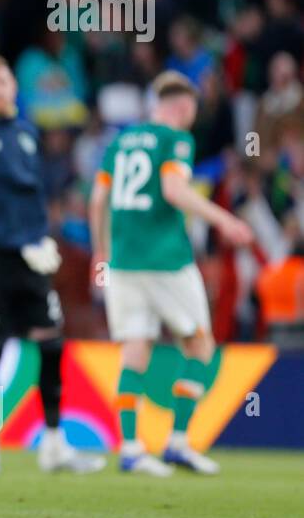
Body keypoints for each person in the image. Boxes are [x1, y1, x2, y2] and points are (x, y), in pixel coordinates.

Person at [89, 71, 255, 475]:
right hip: (167, 262)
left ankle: (130, 449)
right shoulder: (177, 140)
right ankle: (178, 442)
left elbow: (97, 200)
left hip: (124, 263)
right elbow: (174, 192)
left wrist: (101, 251)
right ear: (183, 107)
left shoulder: (121, 141)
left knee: (134, 352)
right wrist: (224, 220)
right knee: (200, 347)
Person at [0, 54, 105, 476]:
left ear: (14, 86)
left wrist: (42, 239)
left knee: (52, 343)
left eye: (3, 83)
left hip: (30, 259)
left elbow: (34, 196)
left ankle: (53, 442)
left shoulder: (26, 133)